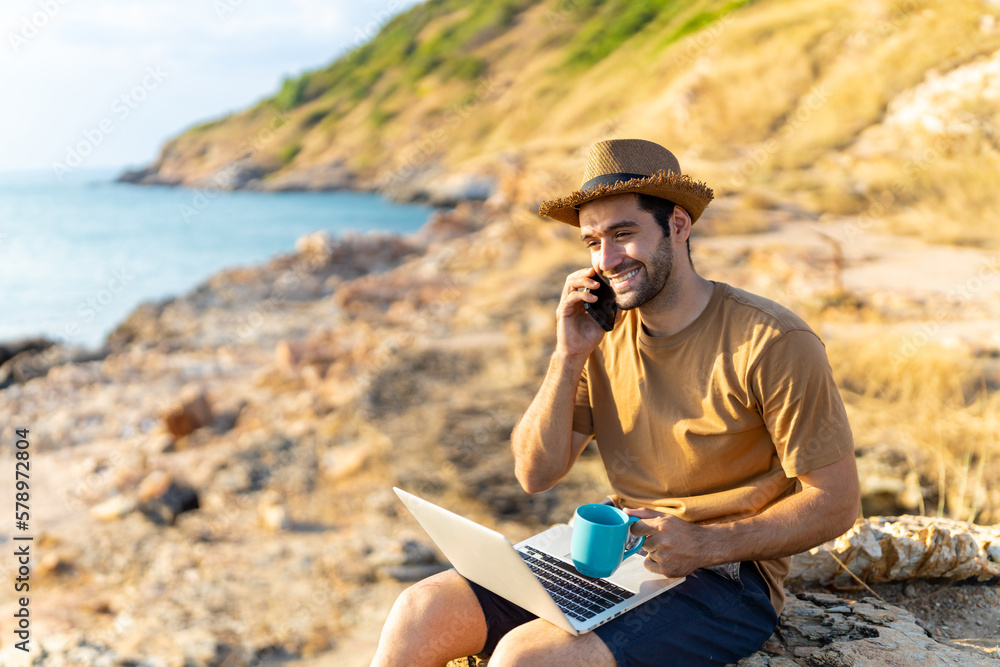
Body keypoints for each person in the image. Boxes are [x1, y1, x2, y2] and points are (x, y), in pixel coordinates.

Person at [371, 139, 859, 666]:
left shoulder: (772, 341)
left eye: (623, 234)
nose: (606, 260)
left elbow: (835, 502)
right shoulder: (601, 334)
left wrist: (710, 543)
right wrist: (568, 354)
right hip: (618, 556)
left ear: (677, 225)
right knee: (420, 609)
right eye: (592, 242)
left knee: (523, 658)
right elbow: (535, 474)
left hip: (725, 580)